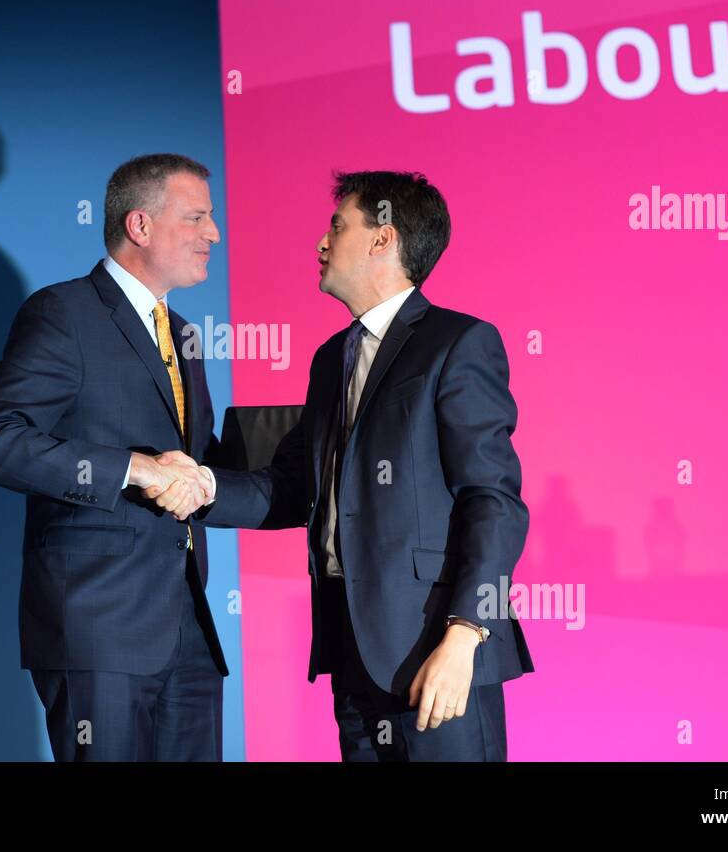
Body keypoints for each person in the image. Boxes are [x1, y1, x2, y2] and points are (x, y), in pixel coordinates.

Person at [151, 170, 535, 761]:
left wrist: (466, 636)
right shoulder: (333, 358)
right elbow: (291, 488)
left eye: (337, 225)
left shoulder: (458, 343)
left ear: (383, 238)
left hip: (439, 652)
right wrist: (198, 486)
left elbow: (494, 499)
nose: (320, 243)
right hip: (352, 657)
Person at [0, 153, 228, 761]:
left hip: (188, 630)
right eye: (196, 218)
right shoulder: (65, 313)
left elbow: (195, 463)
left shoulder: (183, 333)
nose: (213, 234)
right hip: (99, 628)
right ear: (140, 226)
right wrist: (136, 469)